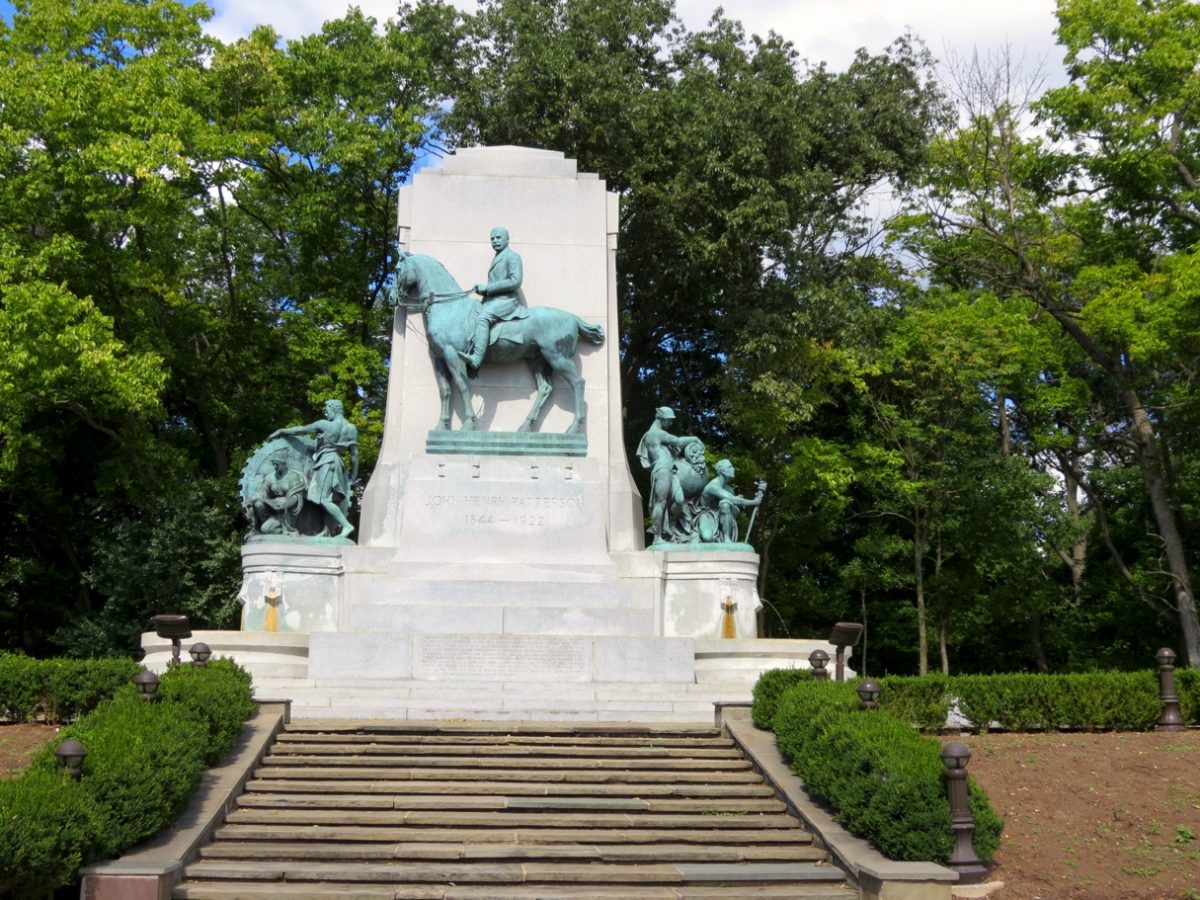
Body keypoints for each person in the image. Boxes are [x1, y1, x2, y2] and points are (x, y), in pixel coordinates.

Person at [269, 399, 359, 539]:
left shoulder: (324, 425)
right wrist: (353, 476)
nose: (325, 412)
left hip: (327, 462)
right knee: (328, 499)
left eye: (327, 408)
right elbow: (354, 455)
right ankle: (326, 531)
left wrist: (282, 431)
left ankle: (347, 525)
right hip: (337, 463)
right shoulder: (351, 428)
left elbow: (301, 429)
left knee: (324, 499)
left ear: (333, 409)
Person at [459, 226, 528, 369]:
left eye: (498, 237)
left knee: (483, 318)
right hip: (495, 300)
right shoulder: (497, 257)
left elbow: (515, 281)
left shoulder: (512, 256)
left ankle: (477, 358)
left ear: (507, 239)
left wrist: (488, 288)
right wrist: (484, 291)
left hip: (508, 300)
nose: (495, 241)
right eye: (492, 238)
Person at [636, 407, 703, 544]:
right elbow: (677, 441)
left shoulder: (660, 435)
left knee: (679, 500)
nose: (671, 424)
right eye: (669, 420)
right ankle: (657, 537)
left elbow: (672, 450)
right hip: (662, 469)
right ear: (661, 418)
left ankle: (670, 525)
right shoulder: (655, 434)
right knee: (660, 503)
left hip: (671, 470)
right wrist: (694, 438)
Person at [700, 459, 765, 543]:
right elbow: (734, 499)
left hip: (720, 514)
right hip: (706, 514)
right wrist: (754, 502)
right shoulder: (713, 486)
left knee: (725, 504)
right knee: (707, 537)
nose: (733, 469)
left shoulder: (729, 488)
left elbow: (735, 508)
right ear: (722, 471)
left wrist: (734, 503)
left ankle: (727, 539)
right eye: (730, 467)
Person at [251, 455, 307, 535]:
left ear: (283, 463)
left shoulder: (293, 476)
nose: (275, 466)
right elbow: (263, 489)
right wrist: (257, 497)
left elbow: (296, 496)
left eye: (277, 464)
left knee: (266, 529)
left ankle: (286, 529)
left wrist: (286, 504)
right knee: (258, 504)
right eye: (273, 464)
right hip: (273, 508)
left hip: (287, 510)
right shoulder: (271, 477)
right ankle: (268, 522)